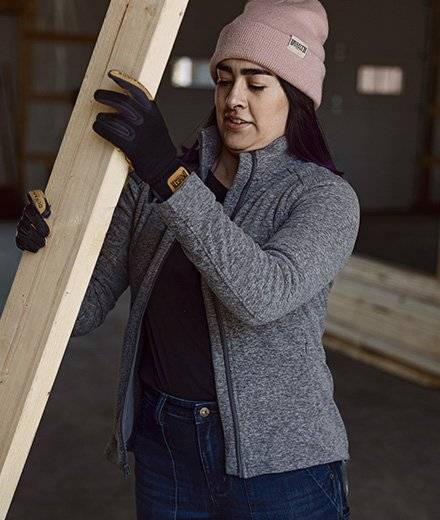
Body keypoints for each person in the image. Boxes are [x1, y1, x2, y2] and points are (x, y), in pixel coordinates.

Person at [15, 0, 359, 518]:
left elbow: (261, 297)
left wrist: (169, 178)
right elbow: (82, 313)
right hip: (166, 449)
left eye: (257, 83)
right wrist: (48, 250)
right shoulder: (157, 182)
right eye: (224, 80)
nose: (234, 99)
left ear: (296, 96)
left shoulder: (322, 197)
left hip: (282, 465)